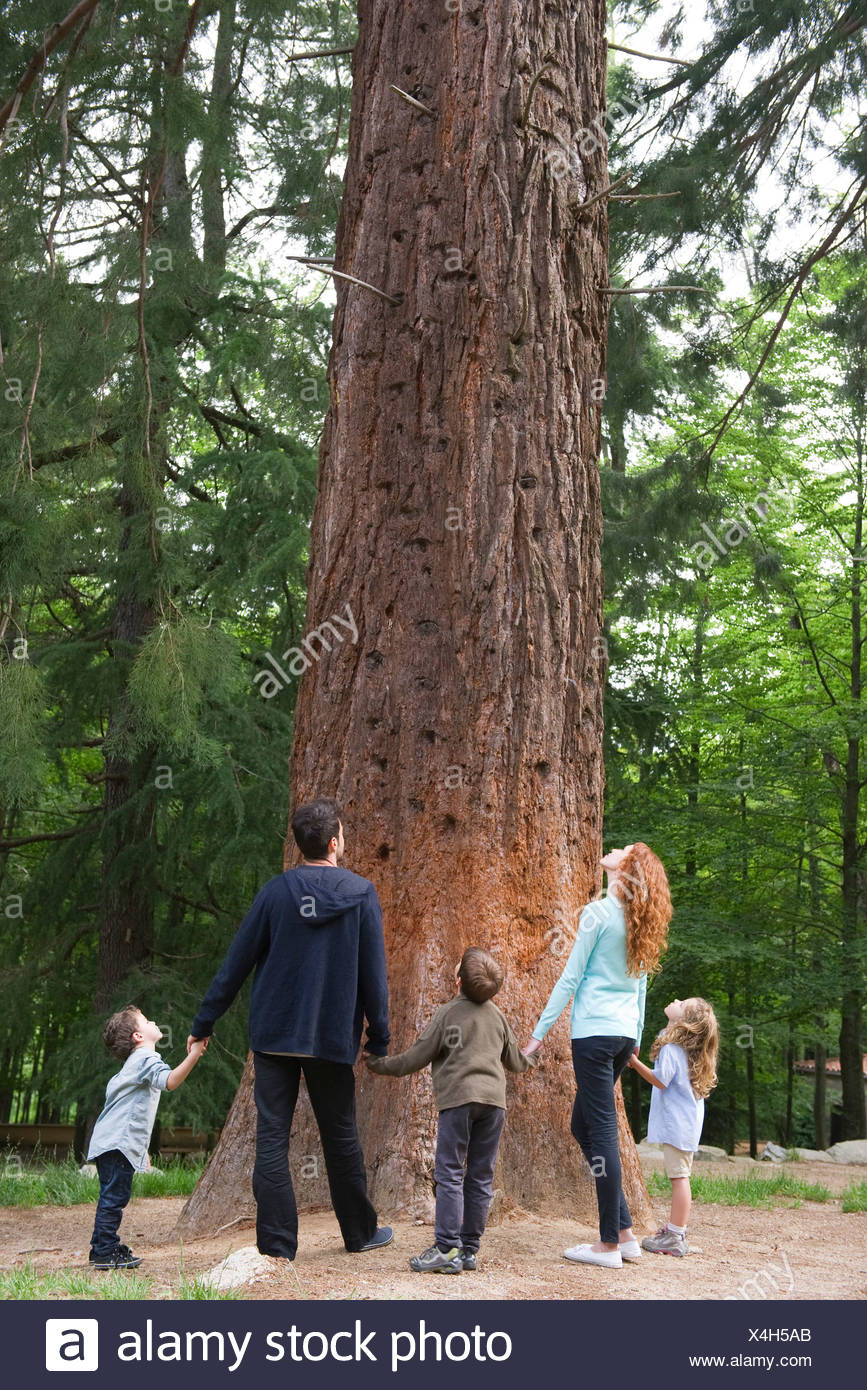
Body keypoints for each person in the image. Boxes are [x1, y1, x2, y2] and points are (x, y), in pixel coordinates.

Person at [187, 797, 392, 1262]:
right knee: (340, 1137)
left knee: (272, 1138)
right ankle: (359, 1233)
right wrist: (378, 1038)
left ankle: (278, 1248)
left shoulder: (276, 893)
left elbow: (234, 965)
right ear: (335, 842)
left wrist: (204, 1023)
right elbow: (374, 976)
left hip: (275, 1036)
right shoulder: (361, 894)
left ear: (301, 845)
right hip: (331, 1036)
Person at [523, 842, 672, 1268]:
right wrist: (637, 1036)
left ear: (624, 868)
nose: (615, 847)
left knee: (602, 1132)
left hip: (594, 1036)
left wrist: (537, 1036)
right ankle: (625, 1234)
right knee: (582, 1126)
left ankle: (607, 1244)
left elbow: (569, 980)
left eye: (624, 850)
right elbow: (641, 986)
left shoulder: (599, 913)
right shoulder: (637, 918)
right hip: (622, 1036)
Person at [366, 947, 537, 1273]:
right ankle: (469, 1249)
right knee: (480, 1177)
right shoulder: (497, 1017)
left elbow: (416, 1057)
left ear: (457, 980)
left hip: (459, 1102)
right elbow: (515, 1062)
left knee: (450, 1173)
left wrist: (379, 1064)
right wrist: (533, 1056)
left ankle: (446, 1248)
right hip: (494, 1105)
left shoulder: (448, 1014)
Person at [87, 1005, 206, 1269]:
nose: (153, 1020)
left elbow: (126, 1111)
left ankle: (101, 1247)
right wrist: (195, 1055)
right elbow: (171, 1081)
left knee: (111, 1195)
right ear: (138, 1037)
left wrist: (141, 1150)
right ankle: (105, 1251)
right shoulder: (144, 1059)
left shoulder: (132, 1066)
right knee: (114, 1198)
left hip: (111, 1141)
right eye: (146, 1020)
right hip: (117, 1142)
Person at [641, 996, 719, 1257]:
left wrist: (632, 1062)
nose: (675, 1000)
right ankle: (677, 1231)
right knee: (680, 1176)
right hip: (685, 1124)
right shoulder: (681, 1047)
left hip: (678, 1126)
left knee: (679, 1178)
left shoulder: (673, 1049)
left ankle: (675, 1234)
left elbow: (660, 1080)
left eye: (681, 1003)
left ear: (683, 1021)